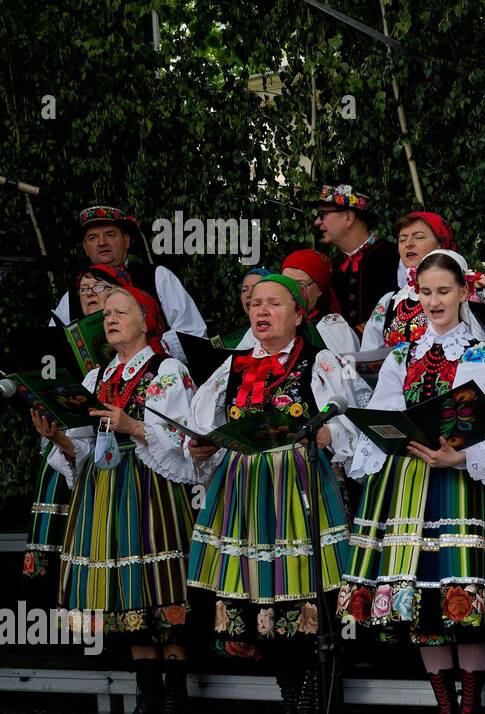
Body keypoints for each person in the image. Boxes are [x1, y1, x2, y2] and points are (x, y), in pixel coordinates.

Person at [339, 251, 485, 714]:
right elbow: (381, 414)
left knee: (462, 592)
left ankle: (471, 711)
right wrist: (386, 434)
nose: (434, 301)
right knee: (423, 598)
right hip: (409, 483)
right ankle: (446, 709)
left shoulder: (481, 355)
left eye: (444, 291)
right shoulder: (402, 354)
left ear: (464, 293)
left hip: (458, 485)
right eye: (426, 292)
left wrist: (458, 460)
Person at [185, 274, 369, 714]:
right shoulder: (232, 366)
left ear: (298, 313)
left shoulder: (319, 360)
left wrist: (330, 434)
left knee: (304, 594)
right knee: (256, 594)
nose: (262, 312)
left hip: (300, 483)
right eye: (255, 304)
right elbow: (202, 425)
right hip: (245, 488)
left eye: (274, 304)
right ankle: (290, 701)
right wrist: (200, 448)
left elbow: (352, 415)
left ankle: (314, 703)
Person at [32, 286, 198, 714]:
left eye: (121, 311)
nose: (110, 319)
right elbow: (81, 447)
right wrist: (58, 438)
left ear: (147, 320)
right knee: (125, 589)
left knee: (162, 587)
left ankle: (176, 702)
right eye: (106, 314)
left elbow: (182, 440)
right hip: (103, 487)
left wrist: (133, 426)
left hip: (150, 485)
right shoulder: (95, 375)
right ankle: (147, 699)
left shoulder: (167, 371)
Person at [24, 265, 129, 579]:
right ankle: (52, 591)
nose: (90, 294)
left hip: (110, 451)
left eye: (98, 287)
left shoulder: (129, 340)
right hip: (67, 440)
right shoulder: (63, 338)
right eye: (84, 290)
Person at [53, 204, 208, 361]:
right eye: (92, 238)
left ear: (126, 240)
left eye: (110, 234)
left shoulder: (157, 277)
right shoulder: (71, 297)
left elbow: (193, 334)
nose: (101, 243)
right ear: (85, 247)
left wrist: (145, 354)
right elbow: (52, 348)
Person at [361, 211, 483, 350]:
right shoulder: (389, 302)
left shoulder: (467, 294)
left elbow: (483, 348)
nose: (408, 244)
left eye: (419, 237)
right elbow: (369, 352)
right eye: (402, 239)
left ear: (441, 245)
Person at [237, 248, 358, 357]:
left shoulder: (333, 328)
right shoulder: (263, 325)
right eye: (285, 282)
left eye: (299, 285)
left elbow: (347, 376)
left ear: (319, 289)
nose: (291, 290)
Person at [311, 183, 401, 331]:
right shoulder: (331, 267)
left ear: (348, 218)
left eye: (323, 214)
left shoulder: (393, 257)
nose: (317, 222)